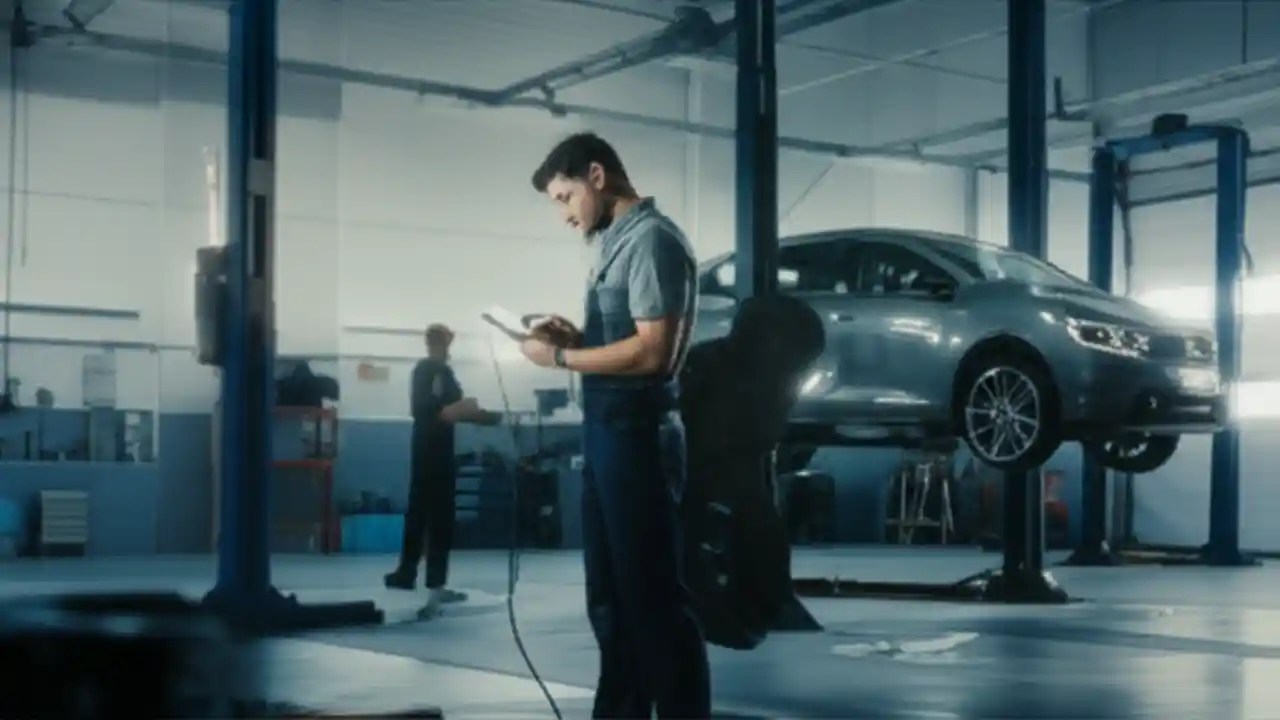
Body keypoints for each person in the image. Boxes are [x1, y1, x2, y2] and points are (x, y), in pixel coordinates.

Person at [520, 132, 711, 719]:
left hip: (639, 440)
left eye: (564, 197)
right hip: (607, 437)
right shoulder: (613, 244)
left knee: (652, 601)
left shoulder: (652, 241)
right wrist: (576, 338)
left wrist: (561, 359)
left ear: (596, 177)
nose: (564, 215)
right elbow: (623, 339)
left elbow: (656, 354)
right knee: (608, 600)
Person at [385, 323, 501, 619]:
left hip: (431, 448)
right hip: (432, 450)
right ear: (439, 343)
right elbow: (440, 411)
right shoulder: (430, 371)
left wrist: (487, 416)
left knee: (422, 512)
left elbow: (454, 410)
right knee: (436, 516)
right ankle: (426, 578)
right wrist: (467, 408)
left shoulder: (439, 373)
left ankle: (411, 572)